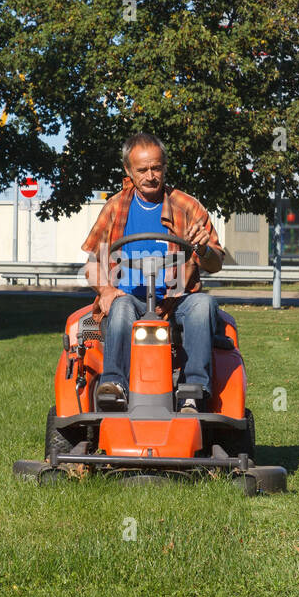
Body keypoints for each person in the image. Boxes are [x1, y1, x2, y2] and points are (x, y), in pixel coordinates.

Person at [80, 131, 224, 412]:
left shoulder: (187, 207)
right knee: (120, 307)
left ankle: (192, 391)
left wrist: (204, 250)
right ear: (128, 171)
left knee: (204, 304)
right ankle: (114, 387)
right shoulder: (115, 207)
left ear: (165, 167)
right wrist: (106, 290)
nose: (150, 176)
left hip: (177, 299)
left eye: (156, 168)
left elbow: (216, 262)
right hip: (130, 298)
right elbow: (92, 264)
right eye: (142, 169)